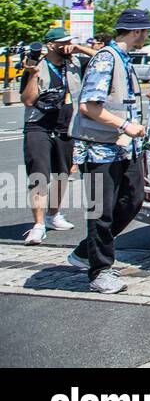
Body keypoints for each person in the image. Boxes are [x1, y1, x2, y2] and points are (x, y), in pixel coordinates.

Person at [67, 9, 150, 294]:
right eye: (145, 31)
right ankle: (100, 271)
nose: (146, 35)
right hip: (98, 150)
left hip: (121, 149)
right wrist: (125, 125)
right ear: (136, 32)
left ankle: (86, 252)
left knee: (134, 199)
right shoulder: (106, 59)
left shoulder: (122, 58)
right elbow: (89, 106)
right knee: (100, 211)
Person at [18, 29, 94, 245]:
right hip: (38, 126)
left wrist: (78, 47)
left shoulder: (75, 63)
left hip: (65, 127)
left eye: (70, 41)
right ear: (51, 45)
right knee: (39, 175)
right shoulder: (36, 65)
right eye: (64, 42)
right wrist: (32, 73)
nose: (68, 45)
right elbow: (28, 100)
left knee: (62, 174)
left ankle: (53, 215)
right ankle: (39, 224)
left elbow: (100, 57)